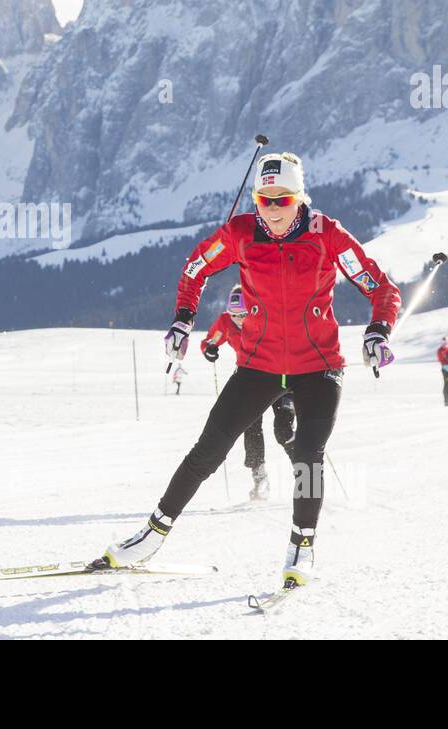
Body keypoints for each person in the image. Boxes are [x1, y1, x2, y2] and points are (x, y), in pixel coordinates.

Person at [99, 152, 400, 588]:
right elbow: (195, 268)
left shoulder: (326, 234)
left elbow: (380, 288)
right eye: (264, 199)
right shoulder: (241, 233)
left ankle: (302, 548)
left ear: (300, 198)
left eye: (283, 199)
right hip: (258, 365)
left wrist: (378, 332)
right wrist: (184, 319)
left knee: (307, 458)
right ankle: (151, 535)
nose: (273, 210)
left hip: (317, 367)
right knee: (207, 450)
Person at [200, 283, 296, 499]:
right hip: (251, 380)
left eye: (243, 314)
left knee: (283, 429)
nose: (239, 320)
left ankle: (304, 473)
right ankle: (259, 476)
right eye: (234, 315)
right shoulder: (226, 322)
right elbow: (210, 340)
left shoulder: (266, 317)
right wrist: (209, 349)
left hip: (281, 378)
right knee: (250, 426)